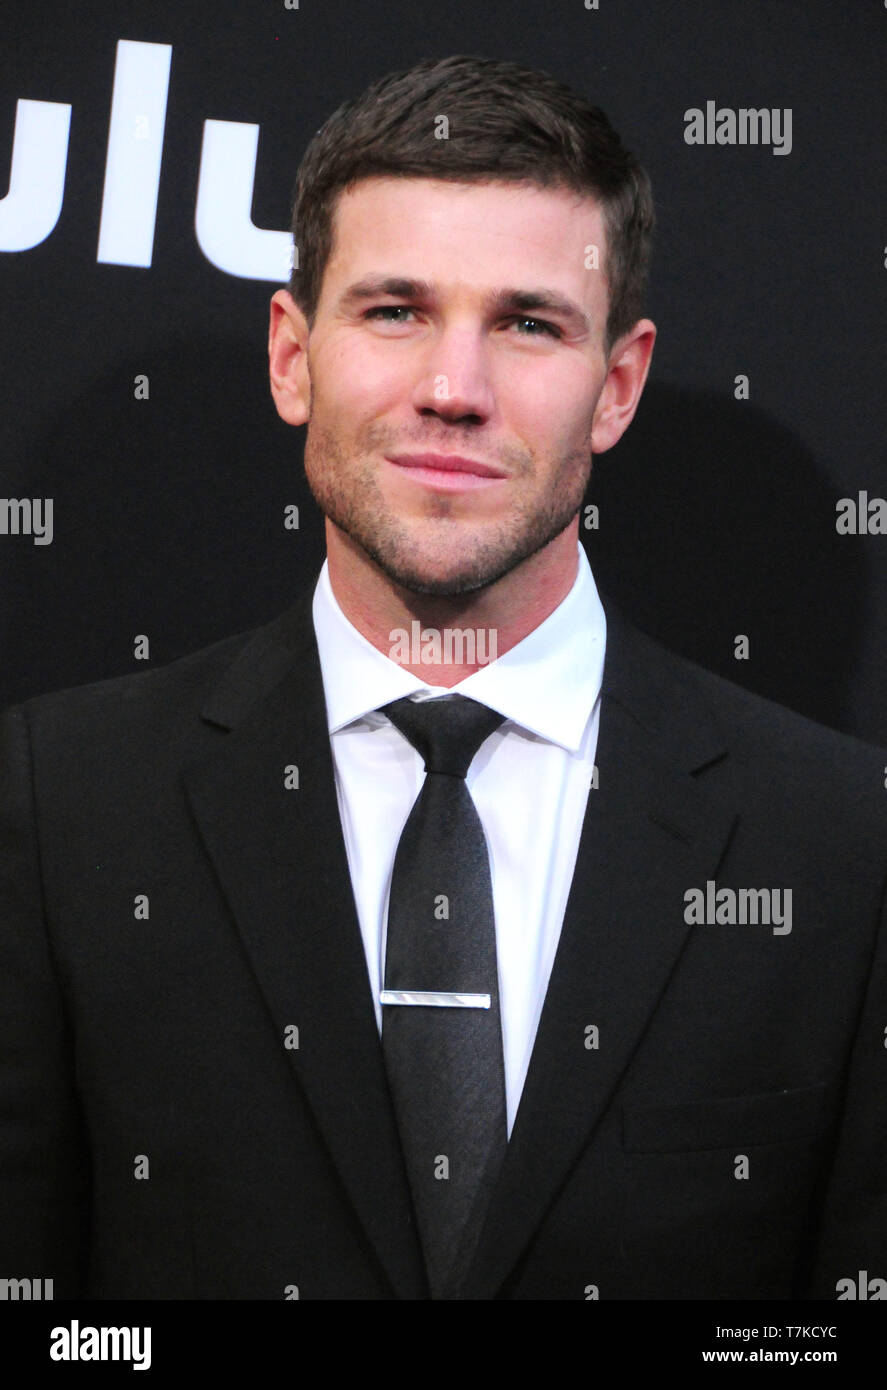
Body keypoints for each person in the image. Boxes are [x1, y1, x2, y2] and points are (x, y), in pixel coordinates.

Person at [1, 54, 885, 1302]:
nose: (451, 391)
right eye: (394, 310)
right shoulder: (59, 807)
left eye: (526, 323)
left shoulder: (841, 843)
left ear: (615, 385)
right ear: (291, 354)